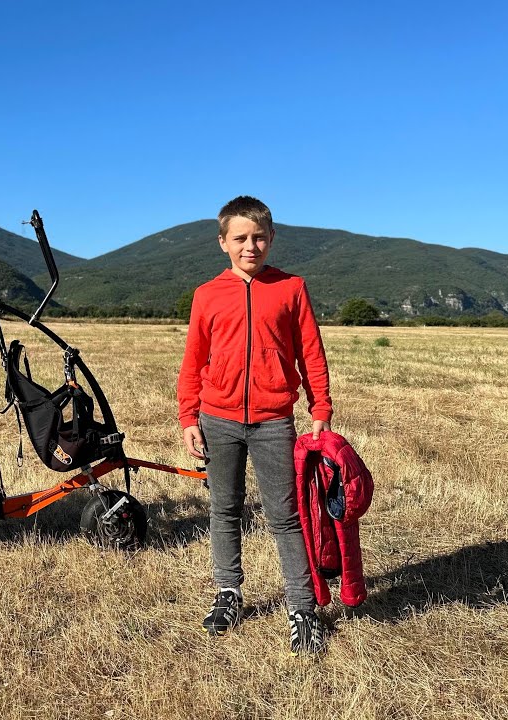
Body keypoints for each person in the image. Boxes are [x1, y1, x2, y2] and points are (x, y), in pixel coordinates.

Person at [177, 196, 332, 654]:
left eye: (259, 237)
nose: (251, 246)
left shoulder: (291, 288)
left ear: (271, 239)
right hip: (217, 418)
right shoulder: (207, 295)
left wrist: (319, 409)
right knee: (224, 510)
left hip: (273, 422)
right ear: (223, 242)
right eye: (241, 238)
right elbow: (193, 361)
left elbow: (312, 354)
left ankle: (302, 608)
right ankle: (228, 594)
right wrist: (188, 416)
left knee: (286, 516)